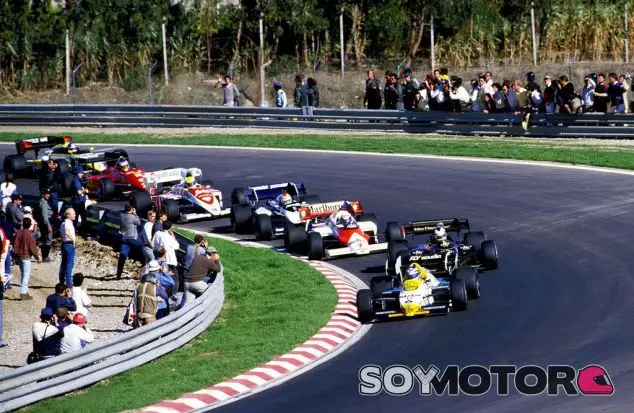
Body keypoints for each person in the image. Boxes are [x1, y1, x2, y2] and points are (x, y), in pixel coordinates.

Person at [14, 218, 41, 300]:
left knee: (23, 274)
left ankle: (25, 291)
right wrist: (37, 257)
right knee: (26, 275)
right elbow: (32, 248)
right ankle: (23, 293)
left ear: (22, 224)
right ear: (30, 225)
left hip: (18, 256)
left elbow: (15, 243)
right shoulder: (30, 235)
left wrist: (15, 255)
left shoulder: (18, 232)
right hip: (26, 257)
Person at [116, 203, 141, 279]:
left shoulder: (122, 215)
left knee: (122, 256)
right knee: (143, 245)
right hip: (131, 238)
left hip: (124, 238)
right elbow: (139, 222)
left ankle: (118, 274)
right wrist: (135, 214)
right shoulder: (132, 217)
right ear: (131, 209)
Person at [152, 221, 180, 288]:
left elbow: (153, 245)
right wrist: (173, 237)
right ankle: (173, 295)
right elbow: (177, 246)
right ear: (170, 228)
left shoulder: (157, 233)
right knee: (175, 280)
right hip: (169, 260)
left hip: (159, 257)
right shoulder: (169, 236)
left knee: (161, 277)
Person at [59, 208, 77, 286]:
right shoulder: (67, 223)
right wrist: (73, 240)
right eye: (73, 214)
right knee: (69, 264)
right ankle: (69, 282)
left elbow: (62, 234)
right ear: (68, 215)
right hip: (69, 244)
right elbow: (66, 231)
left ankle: (61, 281)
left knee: (63, 263)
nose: (75, 215)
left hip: (64, 244)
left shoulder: (63, 223)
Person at [71, 166, 89, 236]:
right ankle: (83, 232)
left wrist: (85, 196)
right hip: (78, 202)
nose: (82, 174)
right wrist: (85, 191)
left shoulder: (78, 180)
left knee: (76, 217)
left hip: (78, 201)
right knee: (82, 217)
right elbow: (79, 192)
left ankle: (76, 231)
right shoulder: (76, 181)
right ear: (77, 173)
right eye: (80, 173)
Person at [36, 189, 53, 262]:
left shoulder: (43, 201)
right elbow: (44, 215)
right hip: (46, 223)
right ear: (43, 195)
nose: (48, 195)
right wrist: (48, 225)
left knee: (45, 240)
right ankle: (45, 257)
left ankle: (45, 256)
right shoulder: (44, 202)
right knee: (48, 240)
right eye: (47, 194)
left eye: (49, 194)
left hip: (44, 223)